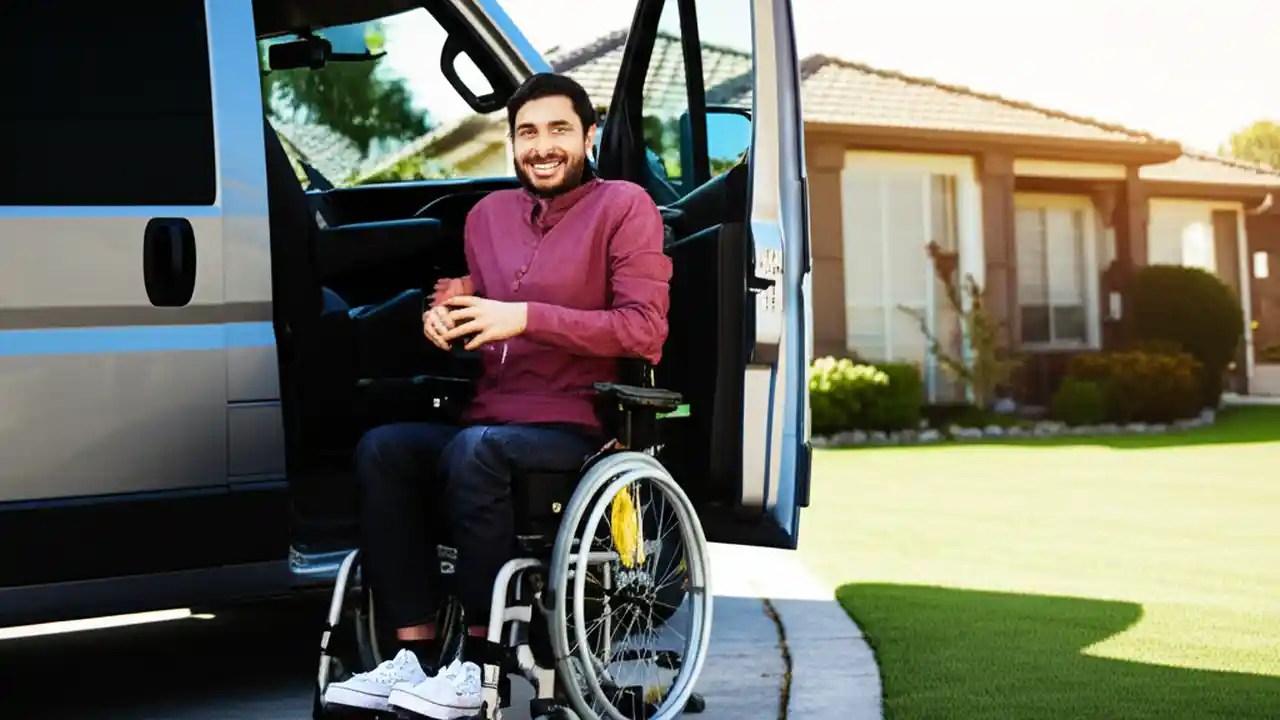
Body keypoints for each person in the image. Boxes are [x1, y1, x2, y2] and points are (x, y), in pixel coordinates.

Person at [321, 72, 673, 718]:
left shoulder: (624, 207)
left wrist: (527, 317)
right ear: (512, 142)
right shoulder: (487, 217)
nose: (543, 146)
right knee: (383, 450)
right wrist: (445, 318)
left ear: (588, 135)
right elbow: (479, 306)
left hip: (576, 427)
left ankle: (476, 663)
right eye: (528, 132)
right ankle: (415, 658)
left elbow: (645, 330)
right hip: (489, 417)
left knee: (475, 453)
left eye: (560, 130)